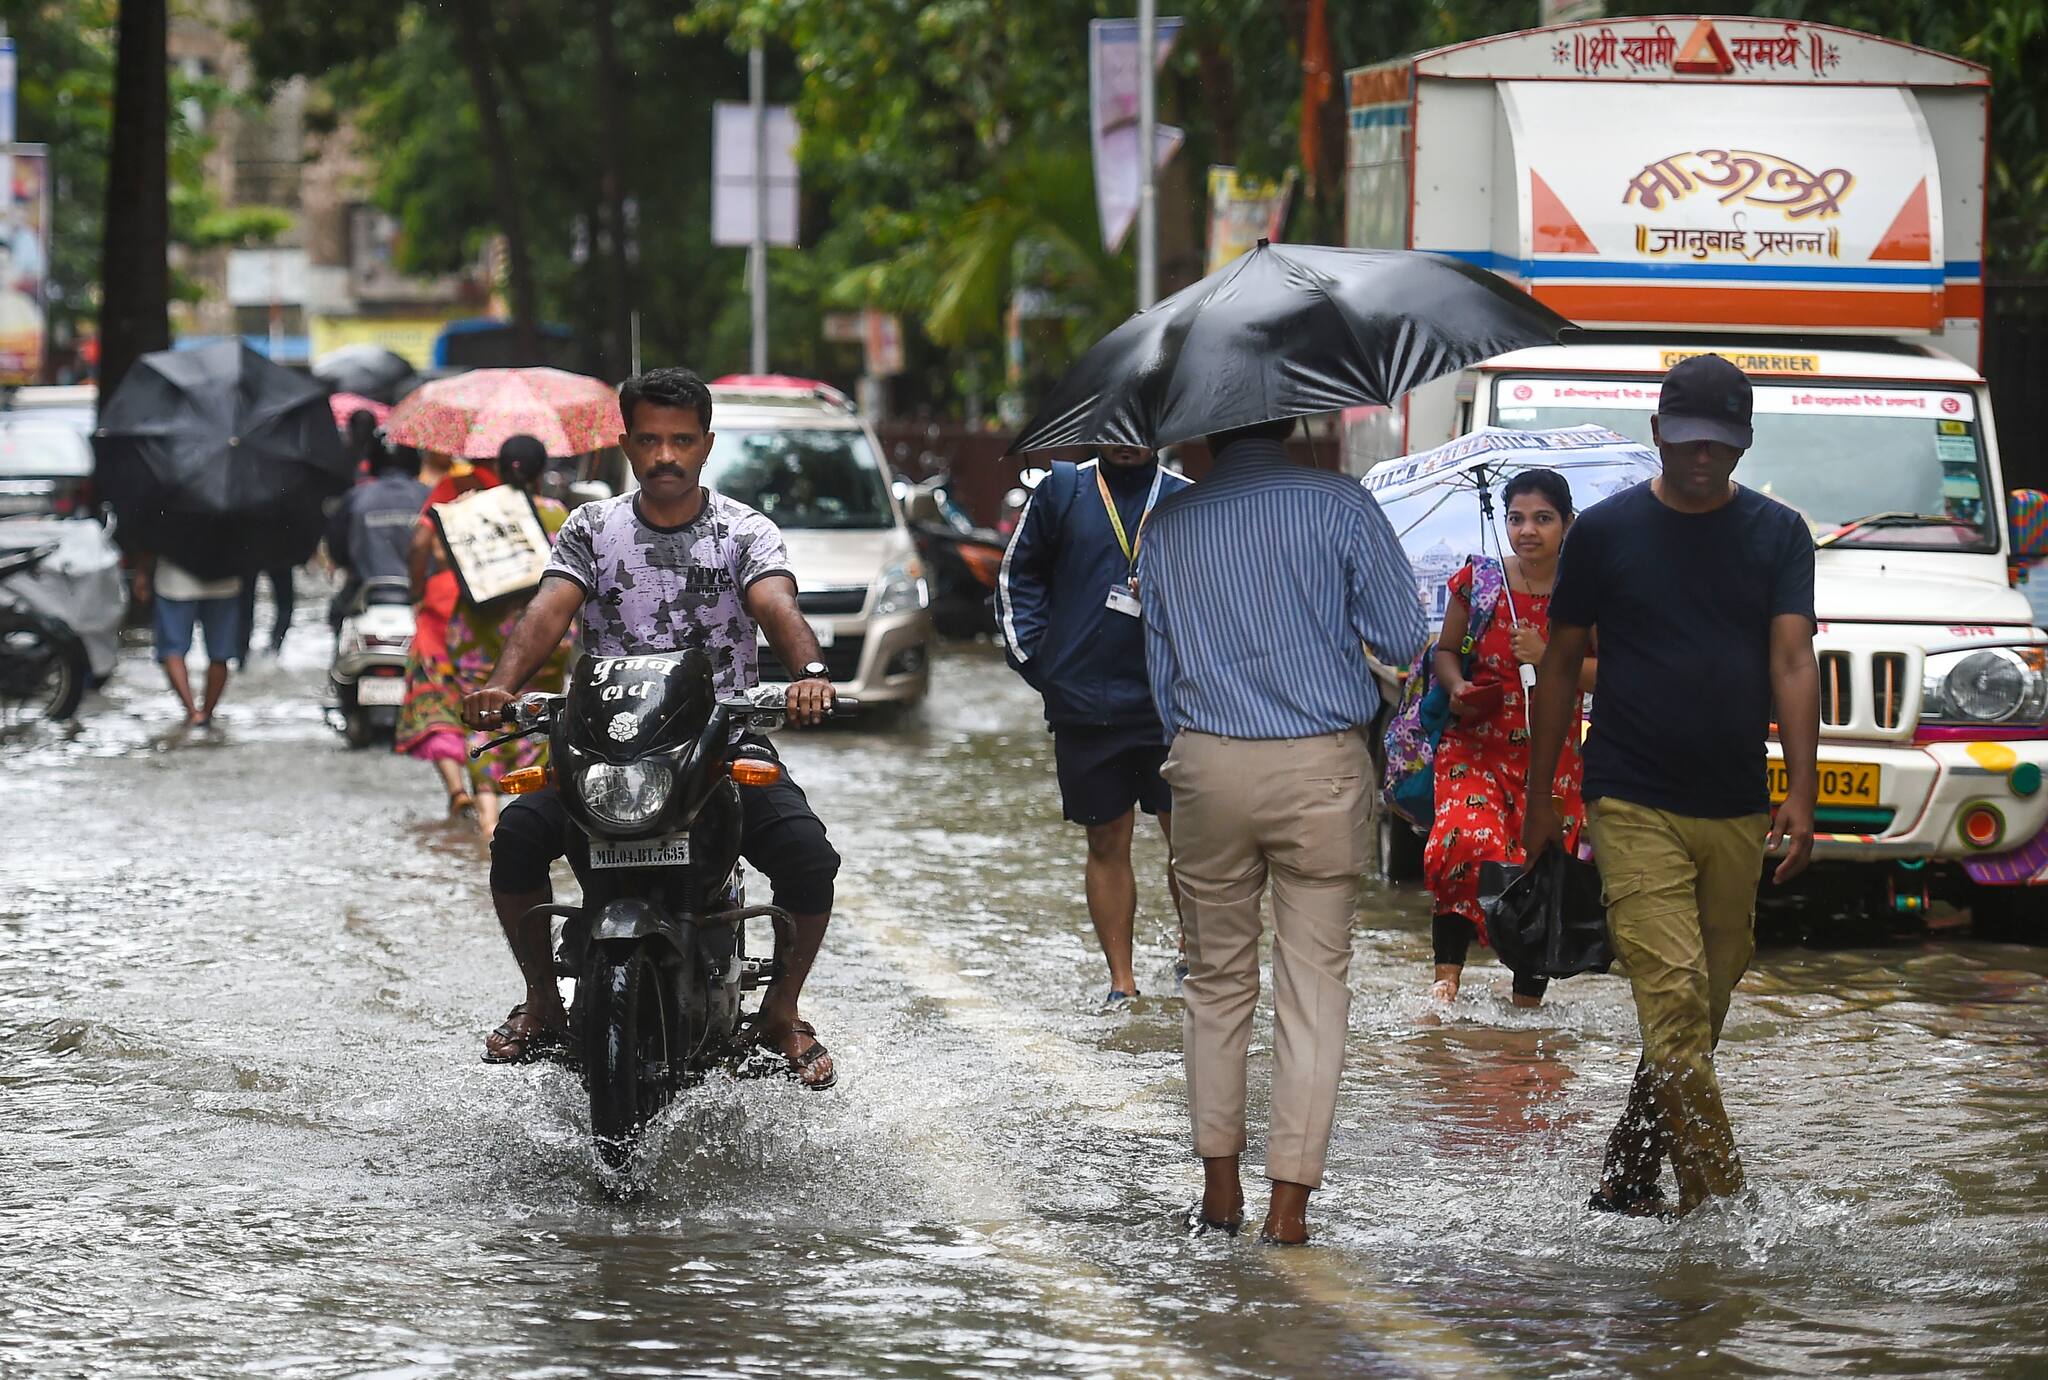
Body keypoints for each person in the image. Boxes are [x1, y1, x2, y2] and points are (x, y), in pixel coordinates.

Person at [460, 367, 842, 1088]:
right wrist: (502, 686)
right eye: (650, 440)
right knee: (514, 839)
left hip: (720, 741)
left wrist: (810, 672)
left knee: (808, 858)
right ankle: (544, 1001)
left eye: (682, 440)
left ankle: (782, 1012)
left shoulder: (744, 530)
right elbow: (548, 609)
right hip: (602, 745)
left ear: (706, 446)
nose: (666, 455)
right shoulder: (591, 528)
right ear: (626, 445)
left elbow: (776, 603)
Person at [1522, 353, 1818, 1219]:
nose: (1701, 458)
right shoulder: (1607, 534)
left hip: (1735, 802)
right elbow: (1565, 660)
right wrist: (1543, 798)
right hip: (1630, 794)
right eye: (1686, 442)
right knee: (1677, 1005)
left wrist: (1801, 792)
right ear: (1657, 435)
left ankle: (1627, 1167)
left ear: (1744, 441)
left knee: (1697, 1016)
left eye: (1719, 445)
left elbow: (1793, 659)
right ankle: (1722, 1208)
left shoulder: (1778, 533)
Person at [1138, 418, 1425, 1245]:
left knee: (1215, 982)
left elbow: (1162, 675)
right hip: (1321, 770)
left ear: (1205, 432)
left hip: (1207, 767)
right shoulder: (1340, 501)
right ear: (1293, 417)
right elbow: (1404, 639)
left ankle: (1219, 1195)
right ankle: (1289, 1211)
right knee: (1314, 987)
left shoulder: (1169, 524)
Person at [997, 444, 1191, 1004]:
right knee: (1107, 840)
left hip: (1171, 704)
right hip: (1086, 703)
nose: (1127, 438)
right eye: (1116, 426)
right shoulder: (1061, 491)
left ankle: (1191, 952)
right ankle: (1122, 984)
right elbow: (1018, 579)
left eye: (1139, 427)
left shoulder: (1183, 497)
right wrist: (1040, 664)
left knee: (1191, 842)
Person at [1424, 469, 1597, 1007]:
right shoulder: (1478, 581)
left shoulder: (1587, 593)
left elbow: (1609, 673)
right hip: (1475, 746)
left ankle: (1526, 1007)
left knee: (1539, 872)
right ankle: (1445, 985)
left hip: (1553, 758)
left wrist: (1550, 658)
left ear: (1567, 525)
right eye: (1517, 518)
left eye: (1543, 519)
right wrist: (1456, 686)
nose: (1528, 531)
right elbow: (1445, 652)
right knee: (1463, 841)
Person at [437, 435, 574, 840]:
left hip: (477, 639)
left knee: (483, 719)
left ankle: (488, 821)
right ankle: (530, 815)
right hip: (543, 643)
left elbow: (441, 554)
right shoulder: (558, 514)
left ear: (498, 467)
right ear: (540, 470)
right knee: (536, 724)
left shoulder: (473, 511)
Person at [394, 457, 499, 819]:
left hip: (442, 601)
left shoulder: (449, 488)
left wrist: (417, 590)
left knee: (438, 700)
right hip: (495, 605)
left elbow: (420, 543)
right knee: (488, 700)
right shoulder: (510, 492)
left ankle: (457, 790)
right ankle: (487, 795)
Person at [325, 433, 428, 631]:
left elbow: (337, 550)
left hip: (364, 595)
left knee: (336, 619)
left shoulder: (355, 498)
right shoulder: (431, 496)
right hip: (421, 596)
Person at [135, 554, 241, 729]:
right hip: (224, 575)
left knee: (173, 648)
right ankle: (206, 714)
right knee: (220, 653)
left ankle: (193, 712)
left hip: (175, 578)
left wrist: (141, 570)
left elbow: (146, 532)